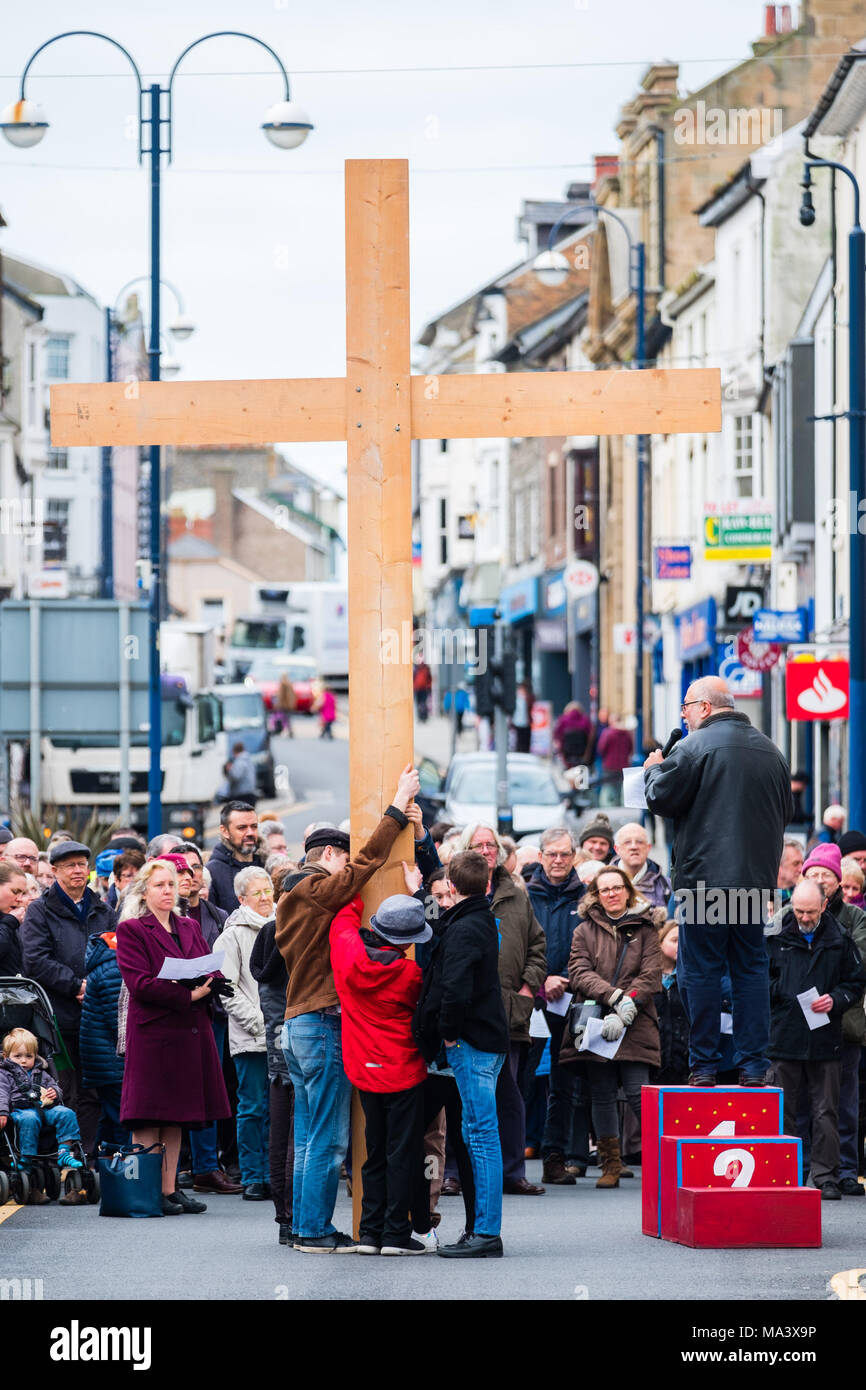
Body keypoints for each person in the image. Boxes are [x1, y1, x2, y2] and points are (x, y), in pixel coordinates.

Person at [276, 763, 420, 1253]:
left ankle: (301, 1227)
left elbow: (352, 882)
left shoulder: (293, 897)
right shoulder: (314, 889)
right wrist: (398, 808)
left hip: (297, 1025)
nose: (348, 874)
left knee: (308, 1137)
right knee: (329, 1139)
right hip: (320, 1024)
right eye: (343, 863)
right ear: (330, 856)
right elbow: (367, 863)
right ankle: (314, 1230)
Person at [644, 676, 793, 1086]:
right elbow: (785, 812)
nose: (684, 715)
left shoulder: (694, 747)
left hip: (704, 883)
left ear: (706, 708)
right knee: (750, 969)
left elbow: (660, 798)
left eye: (687, 706)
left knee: (701, 970)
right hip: (753, 883)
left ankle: (705, 1066)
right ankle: (753, 1067)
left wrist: (654, 769)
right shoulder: (771, 750)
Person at [116, 860, 232, 1215]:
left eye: (171, 884)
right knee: (149, 1116)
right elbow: (140, 984)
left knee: (177, 1115)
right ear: (144, 891)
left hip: (186, 1031)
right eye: (159, 885)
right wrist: (189, 995)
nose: (167, 890)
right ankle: (145, 1190)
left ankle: (169, 1190)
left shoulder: (187, 925)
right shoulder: (134, 929)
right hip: (154, 1032)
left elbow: (204, 963)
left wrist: (212, 981)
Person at [331, 892, 431, 1255]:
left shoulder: (349, 957)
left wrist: (354, 890)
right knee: (401, 1153)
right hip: (403, 1070)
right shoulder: (409, 974)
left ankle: (369, 1233)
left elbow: (340, 923)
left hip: (364, 1069)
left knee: (373, 1151)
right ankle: (395, 1234)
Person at [427, 850, 510, 1258]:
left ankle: (486, 1232)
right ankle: (481, 1228)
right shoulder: (482, 920)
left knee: (480, 1137)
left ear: (453, 888)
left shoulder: (464, 928)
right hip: (486, 1041)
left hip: (472, 1043)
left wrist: (447, 1034)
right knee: (479, 1135)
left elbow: (455, 988)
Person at [559, 865, 664, 1186]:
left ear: (628, 890)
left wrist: (627, 1006)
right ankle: (611, 1165)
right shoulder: (583, 930)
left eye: (617, 887)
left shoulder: (646, 928)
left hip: (636, 1020)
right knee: (602, 1095)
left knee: (639, 1094)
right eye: (605, 889)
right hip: (596, 1021)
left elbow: (651, 973)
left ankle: (663, 1162)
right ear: (596, 894)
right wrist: (615, 996)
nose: (612, 894)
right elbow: (579, 971)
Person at [459, 823, 547, 1196]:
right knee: (463, 1095)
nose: (485, 850)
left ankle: (512, 1171)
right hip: (467, 1012)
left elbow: (538, 947)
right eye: (477, 844)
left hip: (509, 1011)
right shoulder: (454, 889)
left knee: (508, 1094)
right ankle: (455, 1172)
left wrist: (526, 989)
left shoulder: (516, 894)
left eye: (490, 844)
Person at [766, 879, 865, 1200]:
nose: (804, 917)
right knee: (784, 1111)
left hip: (826, 1038)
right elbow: (755, 980)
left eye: (810, 911)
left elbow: (855, 983)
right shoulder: (774, 934)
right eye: (798, 911)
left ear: (824, 906)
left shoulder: (840, 939)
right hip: (783, 1035)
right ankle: (782, 1173)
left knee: (827, 1112)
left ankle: (825, 1176)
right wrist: (781, 994)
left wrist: (835, 1000)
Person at [20, 840, 115, 1157]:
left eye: (82, 864)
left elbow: (115, 952)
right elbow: (35, 960)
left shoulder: (102, 909)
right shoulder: (40, 910)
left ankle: (86, 1158)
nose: (78, 870)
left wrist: (95, 985)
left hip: (97, 1015)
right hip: (57, 1017)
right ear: (56, 870)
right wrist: (75, 985)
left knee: (93, 1091)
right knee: (63, 1090)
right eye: (71, 865)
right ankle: (62, 1158)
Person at [799, 843, 866, 1196]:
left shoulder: (855, 919)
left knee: (843, 1103)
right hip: (798, 1024)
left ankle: (845, 1170)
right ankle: (805, 1168)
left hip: (843, 1023)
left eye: (827, 873)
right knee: (803, 1104)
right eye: (814, 872)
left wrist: (830, 991)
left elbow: (858, 967)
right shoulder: (790, 914)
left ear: (839, 882)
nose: (820, 878)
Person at [171, 847, 238, 1195]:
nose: (190, 876)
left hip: (212, 1012)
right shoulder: (159, 919)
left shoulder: (219, 915)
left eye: (195, 868)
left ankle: (207, 1166)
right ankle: (178, 1165)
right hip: (173, 1011)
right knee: (173, 1091)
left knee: (211, 1089)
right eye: (181, 870)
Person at [526, 828, 590, 1185]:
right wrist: (541, 980)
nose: (558, 860)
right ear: (540, 856)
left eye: (565, 854)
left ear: (574, 856)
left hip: (571, 995)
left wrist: (564, 977)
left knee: (564, 1082)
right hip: (532, 996)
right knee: (522, 1079)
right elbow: (520, 945)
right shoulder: (526, 895)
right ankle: (511, 1161)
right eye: (552, 854)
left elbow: (590, 948)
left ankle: (555, 1156)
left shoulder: (585, 898)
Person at [213, 867, 274, 1201]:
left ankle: (274, 1173)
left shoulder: (284, 925)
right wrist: (257, 1021)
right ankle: (253, 1175)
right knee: (252, 1107)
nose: (265, 898)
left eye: (268, 891)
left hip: (282, 1032)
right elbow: (226, 988)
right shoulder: (232, 935)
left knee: (278, 1109)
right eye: (257, 893)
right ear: (241, 899)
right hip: (251, 1036)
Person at [249, 860, 296, 1244]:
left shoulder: (268, 935)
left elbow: (265, 992)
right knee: (301, 1135)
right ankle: (296, 1215)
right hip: (302, 1041)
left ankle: (285, 1216)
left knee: (281, 1134)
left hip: (275, 1042)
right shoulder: (298, 934)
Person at [0, 1027, 85, 1197]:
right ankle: (27, 1157)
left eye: (29, 1056)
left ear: (35, 1056)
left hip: (45, 1108)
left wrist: (55, 1092)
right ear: (6, 1056)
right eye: (18, 1056)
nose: (23, 1061)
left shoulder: (41, 1072)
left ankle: (64, 1152)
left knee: (66, 1113)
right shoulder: (4, 1074)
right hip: (19, 1110)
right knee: (29, 1118)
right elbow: (1, 1093)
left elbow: (54, 1085)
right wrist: (2, 1112)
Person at [80, 920, 129, 1150]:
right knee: (123, 1120)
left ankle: (101, 1172)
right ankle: (126, 1178)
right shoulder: (115, 966)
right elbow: (120, 1023)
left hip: (106, 1059)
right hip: (112, 1060)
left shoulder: (112, 959)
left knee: (111, 1118)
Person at [207, 803, 264, 914]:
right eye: (242, 828)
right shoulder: (213, 872)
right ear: (225, 831)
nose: (250, 833)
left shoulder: (267, 864)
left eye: (254, 826)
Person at [654, 921, 690, 1085]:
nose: (680, 946)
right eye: (674, 940)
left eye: (683, 941)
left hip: (681, 1057)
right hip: (653, 1057)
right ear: (660, 942)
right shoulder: (648, 977)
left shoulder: (689, 978)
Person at [613, 823, 672, 908]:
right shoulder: (601, 884)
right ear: (617, 849)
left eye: (639, 842)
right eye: (627, 842)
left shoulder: (666, 887)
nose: (634, 847)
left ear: (648, 847)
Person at [597, 716, 634, 807]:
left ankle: (609, 808)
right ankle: (620, 807)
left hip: (610, 765)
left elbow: (601, 749)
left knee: (609, 788)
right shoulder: (627, 734)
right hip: (623, 765)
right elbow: (630, 748)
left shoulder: (608, 733)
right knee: (620, 787)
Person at [0, 862, 28, 975]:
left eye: (23, 893)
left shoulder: (12, 920)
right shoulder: (10, 921)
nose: (20, 899)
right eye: (15, 892)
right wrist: (9, 922)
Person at [553, 702, 592, 770]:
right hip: (582, 756)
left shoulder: (563, 720)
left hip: (566, 756)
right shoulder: (586, 721)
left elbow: (557, 736)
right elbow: (591, 738)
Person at [224, 742, 258, 806]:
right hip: (250, 793)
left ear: (234, 751)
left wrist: (229, 769)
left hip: (242, 796)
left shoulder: (239, 762)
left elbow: (235, 776)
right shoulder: (248, 760)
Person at [777, 839, 805, 907]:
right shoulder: (763, 897)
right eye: (796, 864)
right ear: (779, 866)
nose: (801, 869)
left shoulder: (802, 892)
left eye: (802, 863)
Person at [511, 681, 534, 754]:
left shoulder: (528, 698)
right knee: (519, 739)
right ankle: (519, 751)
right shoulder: (516, 698)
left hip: (526, 722)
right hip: (517, 722)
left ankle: (525, 751)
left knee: (526, 738)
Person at [275, 671, 296, 737]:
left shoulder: (283, 685)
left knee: (282, 718)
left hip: (283, 705)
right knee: (287, 718)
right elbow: (293, 695)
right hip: (289, 705)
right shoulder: (290, 684)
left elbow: (280, 696)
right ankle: (289, 731)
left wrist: (277, 704)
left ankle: (280, 730)